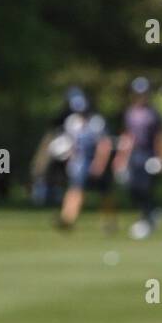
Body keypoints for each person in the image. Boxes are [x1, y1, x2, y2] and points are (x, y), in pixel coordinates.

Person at [114, 77, 162, 240]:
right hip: (134, 154)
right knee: (133, 188)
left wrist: (161, 157)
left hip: (149, 155)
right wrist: (121, 159)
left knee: (145, 188)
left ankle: (146, 219)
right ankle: (152, 211)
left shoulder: (154, 114)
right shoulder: (129, 113)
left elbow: (159, 137)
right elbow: (127, 137)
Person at [56, 88, 112, 231]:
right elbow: (72, 144)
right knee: (75, 189)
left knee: (105, 193)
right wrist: (69, 158)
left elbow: (104, 144)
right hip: (80, 162)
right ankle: (67, 217)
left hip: (96, 160)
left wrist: (99, 163)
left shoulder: (96, 122)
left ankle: (109, 221)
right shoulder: (72, 122)